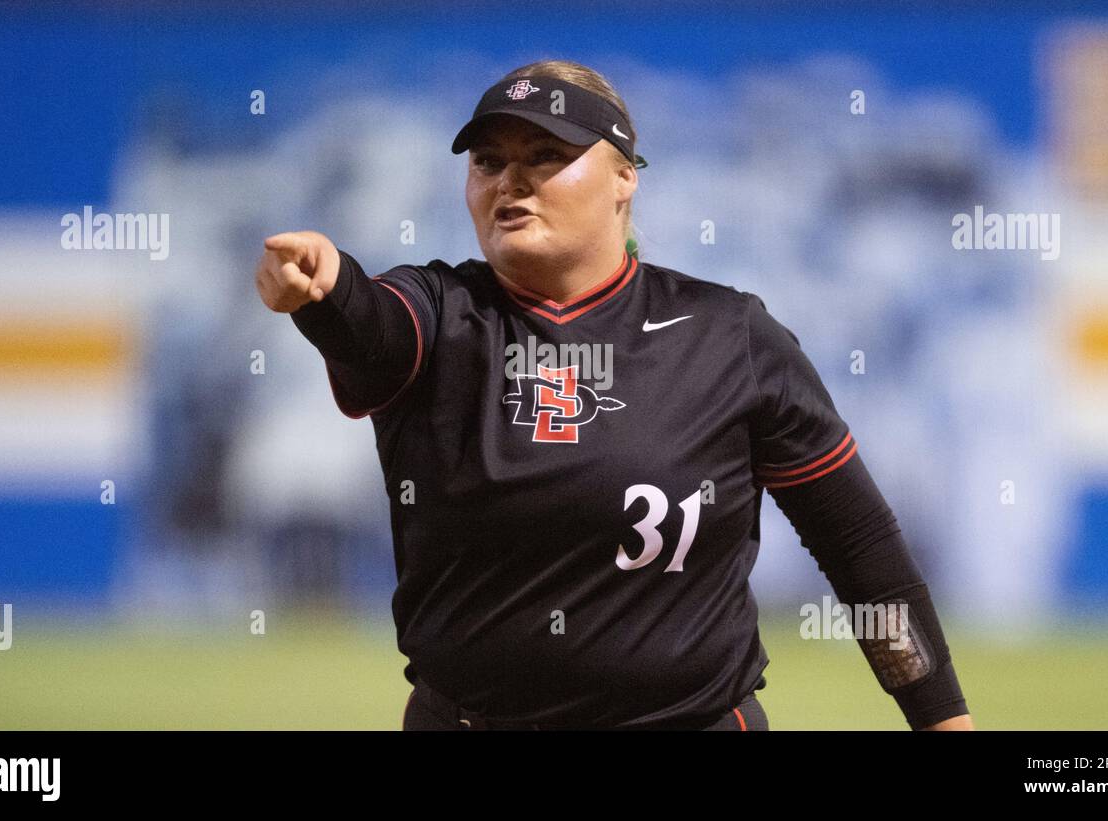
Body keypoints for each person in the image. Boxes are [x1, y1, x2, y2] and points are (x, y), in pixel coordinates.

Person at [254, 59, 974, 731]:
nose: (511, 181)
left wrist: (942, 719)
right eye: (488, 161)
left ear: (625, 177)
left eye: (546, 155)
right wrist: (327, 290)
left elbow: (858, 546)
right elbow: (371, 327)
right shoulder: (440, 314)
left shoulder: (729, 337)